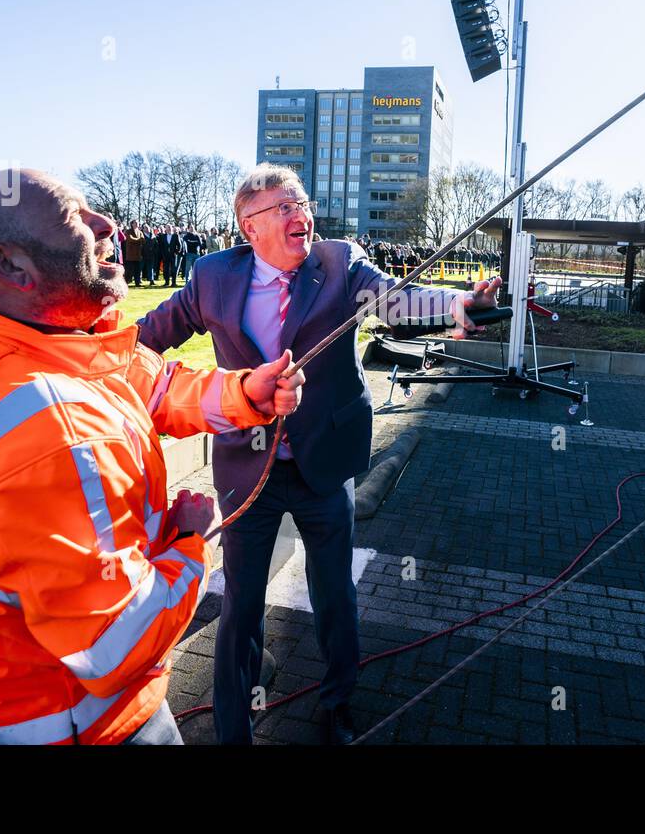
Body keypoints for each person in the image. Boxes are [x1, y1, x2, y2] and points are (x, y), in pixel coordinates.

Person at [0, 170, 304, 745]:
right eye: (77, 217)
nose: (110, 225)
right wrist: (192, 546)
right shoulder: (54, 431)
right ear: (10, 266)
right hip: (52, 724)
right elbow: (116, 644)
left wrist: (244, 392)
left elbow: (153, 386)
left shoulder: (28, 340)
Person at [138, 163, 500, 745]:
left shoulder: (338, 263)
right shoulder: (211, 277)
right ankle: (234, 726)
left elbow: (397, 302)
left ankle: (337, 702)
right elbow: (148, 339)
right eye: (281, 207)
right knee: (239, 607)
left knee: (335, 592)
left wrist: (461, 306)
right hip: (246, 469)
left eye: (299, 202)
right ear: (248, 227)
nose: (297, 214)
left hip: (325, 466)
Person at [123, 220, 144, 286]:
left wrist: (137, 239)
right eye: (136, 223)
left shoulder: (140, 232)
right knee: (129, 270)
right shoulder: (128, 231)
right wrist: (138, 239)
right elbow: (130, 239)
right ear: (132, 224)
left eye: (138, 223)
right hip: (130, 254)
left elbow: (143, 240)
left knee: (137, 270)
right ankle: (126, 282)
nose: (137, 224)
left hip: (138, 254)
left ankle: (137, 283)